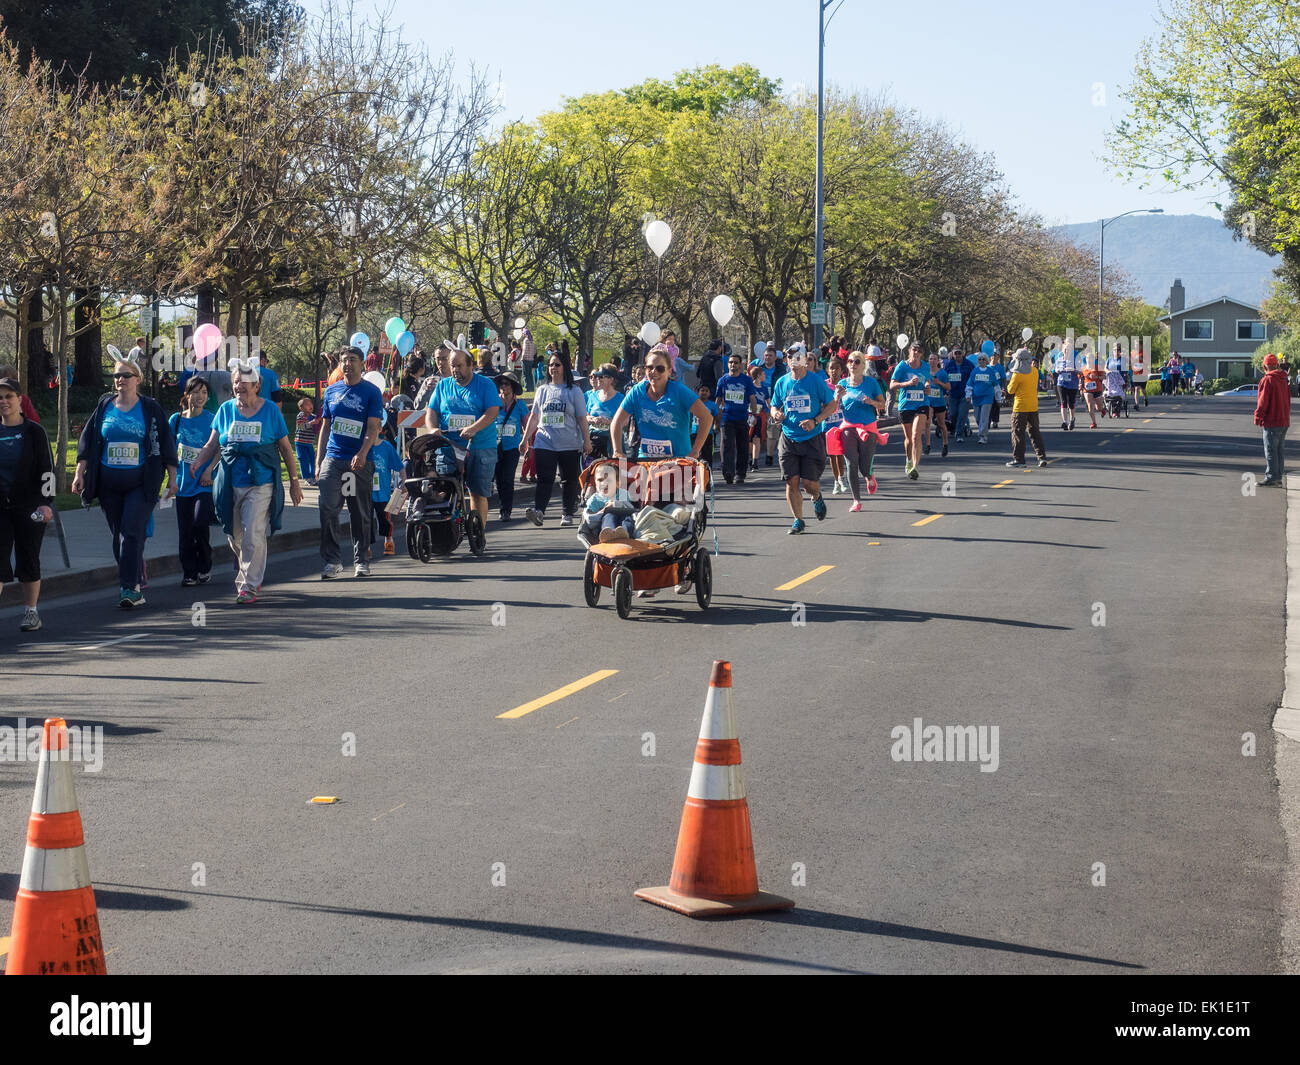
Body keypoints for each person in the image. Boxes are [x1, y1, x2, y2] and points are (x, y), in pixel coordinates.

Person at [189, 361, 302, 602]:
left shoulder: (271, 410)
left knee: (253, 532)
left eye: (244, 381)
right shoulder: (226, 410)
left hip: (261, 481)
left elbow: (285, 448)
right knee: (235, 535)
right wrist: (198, 462)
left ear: (257, 384)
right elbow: (212, 444)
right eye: (236, 381)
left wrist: (294, 481)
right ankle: (247, 574)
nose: (239, 385)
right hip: (230, 480)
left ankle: (249, 585)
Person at [72, 359, 177, 608]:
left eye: (126, 375)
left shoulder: (150, 408)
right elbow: (88, 441)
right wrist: (79, 473)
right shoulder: (105, 405)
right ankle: (134, 575)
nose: (120, 380)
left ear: (137, 379)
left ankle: (129, 588)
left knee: (131, 531)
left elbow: (166, 444)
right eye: (117, 375)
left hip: (140, 484)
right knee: (120, 536)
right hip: (108, 485)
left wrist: (173, 479)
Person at [319, 346, 384, 579]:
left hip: (359, 461)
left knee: (360, 512)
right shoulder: (331, 391)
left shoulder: (371, 392)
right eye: (344, 360)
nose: (347, 364)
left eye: (353, 360)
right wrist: (319, 461)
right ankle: (332, 561)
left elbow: (373, 426)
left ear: (362, 363)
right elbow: (326, 426)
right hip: (334, 458)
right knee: (328, 509)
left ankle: (362, 560)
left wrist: (363, 452)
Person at [426, 345, 500, 536]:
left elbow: (492, 411)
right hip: (449, 447)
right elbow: (431, 411)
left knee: (476, 492)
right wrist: (433, 429)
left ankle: (478, 533)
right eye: (452, 366)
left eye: (459, 365)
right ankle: (447, 530)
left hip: (480, 446)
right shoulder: (443, 386)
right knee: (445, 488)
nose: (455, 370)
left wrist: (474, 428)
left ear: (471, 365)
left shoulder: (485, 385)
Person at [0, 374, 54, 631]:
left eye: (8, 396)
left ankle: (31, 612)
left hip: (29, 506)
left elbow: (47, 470)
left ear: (20, 400)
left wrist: (46, 503)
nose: (3, 401)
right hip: (1, 506)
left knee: (28, 559)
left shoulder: (34, 432)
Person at [771, 348, 837, 534]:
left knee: (809, 484)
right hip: (788, 438)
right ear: (787, 360)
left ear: (804, 360)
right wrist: (776, 413)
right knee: (791, 481)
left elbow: (832, 405)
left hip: (811, 438)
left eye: (798, 357)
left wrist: (815, 420)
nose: (794, 360)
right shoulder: (782, 382)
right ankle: (798, 520)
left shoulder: (815, 381)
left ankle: (817, 497)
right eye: (790, 357)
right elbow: (774, 405)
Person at [521, 348, 589, 528]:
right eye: (550, 365)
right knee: (544, 479)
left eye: (557, 365)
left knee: (569, 480)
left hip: (568, 444)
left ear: (565, 366)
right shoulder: (542, 390)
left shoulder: (574, 391)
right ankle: (539, 511)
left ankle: (567, 512)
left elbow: (582, 418)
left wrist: (586, 441)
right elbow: (535, 417)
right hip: (545, 442)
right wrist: (525, 439)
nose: (553, 368)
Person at [610, 345, 712, 463]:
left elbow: (707, 417)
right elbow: (617, 422)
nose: (654, 372)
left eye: (660, 368)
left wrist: (695, 451)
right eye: (649, 368)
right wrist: (617, 451)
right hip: (647, 462)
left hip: (679, 462)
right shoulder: (637, 391)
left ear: (669, 371)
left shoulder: (680, 391)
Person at [168, 377, 218, 586]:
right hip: (182, 484)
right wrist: (170, 480)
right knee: (185, 531)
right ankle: (189, 572)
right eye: (196, 392)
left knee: (199, 523)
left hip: (204, 483)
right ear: (186, 394)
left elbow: (219, 448)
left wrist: (208, 469)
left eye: (204, 392)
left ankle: (204, 564)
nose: (200, 397)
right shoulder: (176, 420)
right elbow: (169, 452)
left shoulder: (212, 419)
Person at [836, 352, 886, 511]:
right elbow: (834, 408)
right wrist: (836, 397)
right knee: (851, 463)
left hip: (868, 427)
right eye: (850, 361)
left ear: (863, 365)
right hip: (848, 427)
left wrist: (871, 402)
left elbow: (882, 404)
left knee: (864, 467)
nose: (853, 364)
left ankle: (869, 476)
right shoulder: (842, 384)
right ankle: (856, 500)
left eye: (857, 361)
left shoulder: (871, 383)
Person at [714, 352, 761, 485]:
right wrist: (715, 416)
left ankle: (740, 473)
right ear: (728, 364)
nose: (733, 364)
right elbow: (718, 399)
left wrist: (754, 415)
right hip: (727, 418)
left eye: (736, 362)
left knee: (742, 446)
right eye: (731, 362)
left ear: (740, 365)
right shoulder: (723, 380)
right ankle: (728, 471)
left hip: (742, 418)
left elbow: (752, 398)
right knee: (727, 445)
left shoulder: (746, 380)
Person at [889, 342, 932, 481]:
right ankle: (908, 461)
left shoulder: (925, 366)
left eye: (919, 350)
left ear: (922, 353)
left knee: (916, 435)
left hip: (922, 403)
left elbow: (927, 380)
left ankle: (915, 466)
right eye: (914, 349)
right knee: (908, 439)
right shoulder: (902, 366)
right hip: (906, 405)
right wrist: (907, 383)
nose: (916, 352)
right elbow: (892, 385)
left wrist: (927, 386)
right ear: (909, 351)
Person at [1005, 348, 1048, 469]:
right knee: (1035, 433)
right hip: (1033, 406)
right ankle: (1041, 457)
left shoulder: (1017, 374)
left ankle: (1019, 459)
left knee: (1018, 433)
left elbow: (1010, 390)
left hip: (1020, 407)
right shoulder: (1034, 371)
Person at [493, 373, 528, 521]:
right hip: (493, 447)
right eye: (501, 383)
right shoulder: (493, 403)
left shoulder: (520, 405)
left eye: (507, 384)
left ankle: (505, 510)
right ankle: (502, 505)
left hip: (512, 448)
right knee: (498, 480)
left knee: (507, 478)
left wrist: (528, 445)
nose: (503, 387)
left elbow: (527, 425)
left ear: (513, 387)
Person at [1256, 353, 1291, 486]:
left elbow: (1263, 402)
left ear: (1264, 367)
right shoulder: (1283, 380)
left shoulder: (1267, 380)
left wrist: (1258, 416)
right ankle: (1278, 477)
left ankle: (1272, 477)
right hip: (1284, 420)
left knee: (1271, 450)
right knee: (1279, 450)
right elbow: (1288, 400)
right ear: (1277, 365)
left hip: (1272, 421)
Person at [580, 462, 636, 543]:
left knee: (627, 517)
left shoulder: (623, 493)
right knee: (609, 515)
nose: (604, 483)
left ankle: (626, 533)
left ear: (617, 483)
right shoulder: (594, 499)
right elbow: (590, 521)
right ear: (595, 482)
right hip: (603, 527)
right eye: (600, 480)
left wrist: (616, 504)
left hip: (623, 521)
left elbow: (630, 509)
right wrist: (604, 510)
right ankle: (610, 534)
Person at [369, 421, 402, 555]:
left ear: (380, 429)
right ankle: (366, 546)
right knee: (366, 519)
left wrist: (403, 483)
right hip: (366, 491)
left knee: (384, 518)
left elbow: (399, 466)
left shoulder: (387, 447)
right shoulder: (363, 447)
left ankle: (388, 540)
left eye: (373, 428)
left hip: (383, 491)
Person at [585, 364, 623, 460]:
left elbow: (625, 422)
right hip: (593, 440)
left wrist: (609, 422)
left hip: (612, 443)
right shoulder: (592, 396)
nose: (597, 379)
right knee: (591, 473)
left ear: (611, 379)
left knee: (613, 473)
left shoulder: (621, 398)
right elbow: (586, 415)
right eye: (596, 376)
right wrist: (592, 419)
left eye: (601, 376)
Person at [966, 351, 998, 443]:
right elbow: (970, 384)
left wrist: (998, 397)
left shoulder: (991, 371)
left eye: (983, 359)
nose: (981, 361)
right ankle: (982, 430)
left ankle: (983, 436)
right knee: (977, 417)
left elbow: (996, 385)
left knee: (984, 417)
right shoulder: (975, 371)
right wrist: (968, 395)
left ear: (987, 361)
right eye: (979, 359)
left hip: (987, 397)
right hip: (976, 398)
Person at [924, 353, 951, 458]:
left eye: (934, 359)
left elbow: (948, 387)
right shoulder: (925, 373)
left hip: (939, 402)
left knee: (941, 424)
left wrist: (938, 382)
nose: (932, 361)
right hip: (928, 401)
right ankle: (928, 445)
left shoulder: (943, 373)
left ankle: (945, 444)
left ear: (938, 361)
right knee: (927, 422)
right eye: (930, 359)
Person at [747, 364, 769, 473]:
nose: (765, 376)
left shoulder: (764, 389)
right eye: (763, 374)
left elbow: (768, 403)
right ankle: (750, 457)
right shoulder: (750, 386)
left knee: (757, 438)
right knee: (749, 439)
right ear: (758, 375)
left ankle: (755, 461)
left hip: (760, 415)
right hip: (749, 414)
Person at [691, 383, 718, 468]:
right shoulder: (694, 404)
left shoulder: (712, 405)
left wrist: (716, 425)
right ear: (698, 392)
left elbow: (717, 416)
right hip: (695, 433)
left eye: (707, 391)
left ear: (710, 393)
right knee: (695, 455)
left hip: (708, 433)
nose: (704, 392)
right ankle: (695, 476)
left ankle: (708, 477)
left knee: (707, 456)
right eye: (702, 390)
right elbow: (689, 417)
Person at [1054, 343, 1080, 430]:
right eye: (1065, 349)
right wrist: (1057, 370)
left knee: (1071, 403)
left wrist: (1074, 370)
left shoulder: (1075, 360)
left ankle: (1072, 419)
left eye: (1068, 349)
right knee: (1063, 402)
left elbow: (1081, 372)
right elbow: (1055, 369)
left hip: (1072, 384)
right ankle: (1065, 422)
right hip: (1061, 383)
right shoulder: (1059, 359)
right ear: (1062, 350)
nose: (1066, 351)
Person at [294, 397, 320, 485]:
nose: (310, 405)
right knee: (303, 459)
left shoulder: (314, 417)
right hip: (300, 442)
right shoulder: (300, 416)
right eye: (307, 404)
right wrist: (311, 423)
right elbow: (301, 427)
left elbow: (317, 428)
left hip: (309, 443)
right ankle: (306, 477)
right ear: (301, 408)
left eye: (311, 404)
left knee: (312, 459)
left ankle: (312, 476)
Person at [1081, 361, 1106, 428]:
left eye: (1091, 358)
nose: (1089, 359)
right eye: (1088, 358)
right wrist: (1080, 384)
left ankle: (1102, 410)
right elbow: (1081, 377)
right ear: (1086, 359)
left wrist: (1097, 377)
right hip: (1087, 389)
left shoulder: (1098, 367)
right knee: (1090, 405)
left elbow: (1104, 376)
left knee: (1098, 407)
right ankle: (1094, 422)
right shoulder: (1083, 368)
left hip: (1097, 389)